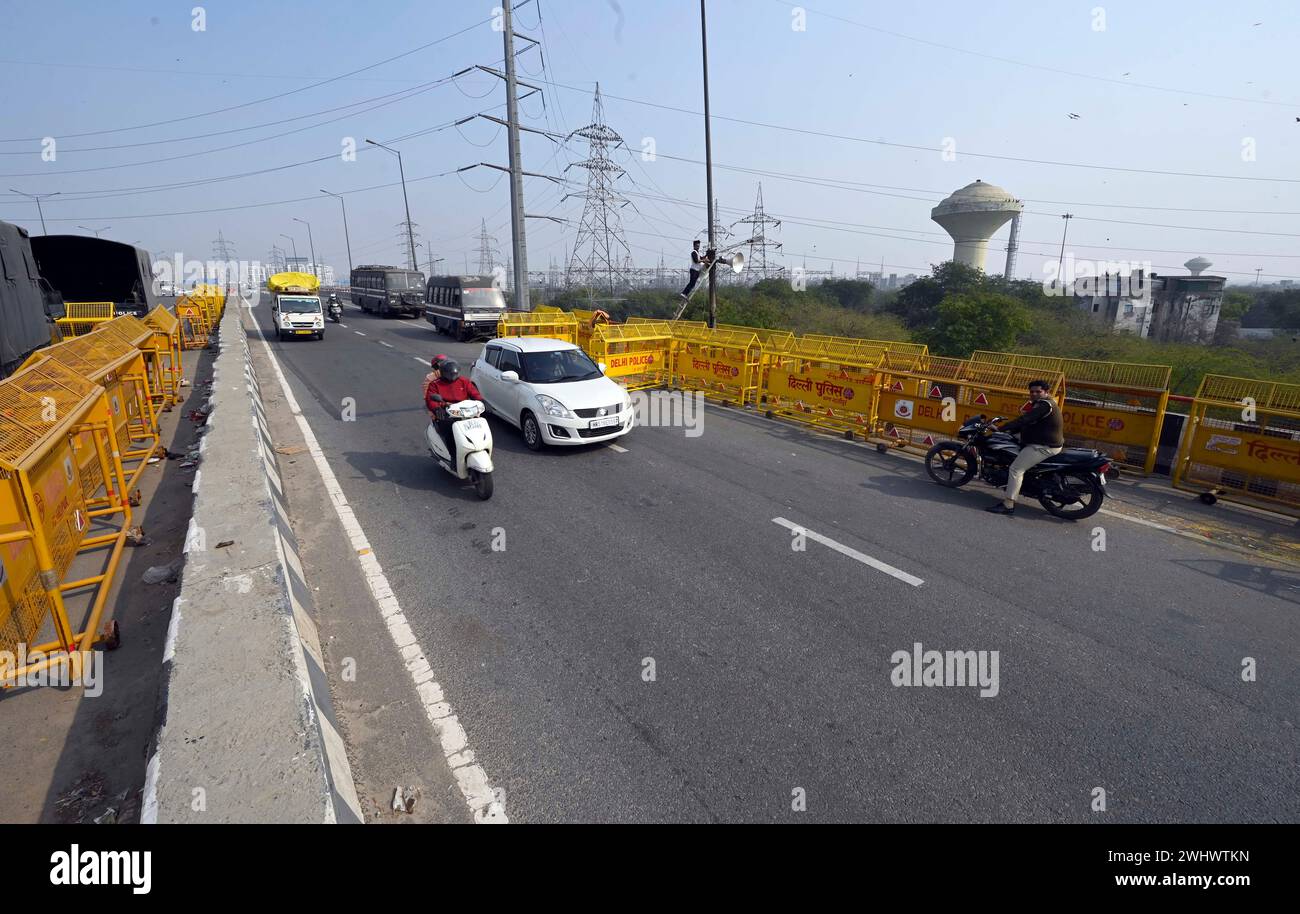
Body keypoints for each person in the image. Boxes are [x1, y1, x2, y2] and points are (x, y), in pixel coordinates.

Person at [985, 379, 1064, 516]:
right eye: (1032, 392)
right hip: (1042, 441)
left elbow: (1024, 420)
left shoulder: (1044, 405)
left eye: (1038, 392)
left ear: (1046, 392)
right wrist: (1010, 431)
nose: (1034, 394)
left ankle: (1008, 505)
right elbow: (1029, 423)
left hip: (1044, 446)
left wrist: (1000, 429)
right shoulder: (1044, 404)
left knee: (1016, 469)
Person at [425, 358, 483, 460]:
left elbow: (474, 394)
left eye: (453, 374)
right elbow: (431, 400)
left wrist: (481, 402)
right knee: (450, 433)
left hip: (464, 411)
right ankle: (453, 457)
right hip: (446, 413)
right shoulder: (435, 384)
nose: (452, 376)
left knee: (478, 427)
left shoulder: (464, 381)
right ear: (443, 373)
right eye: (449, 374)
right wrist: (437, 408)